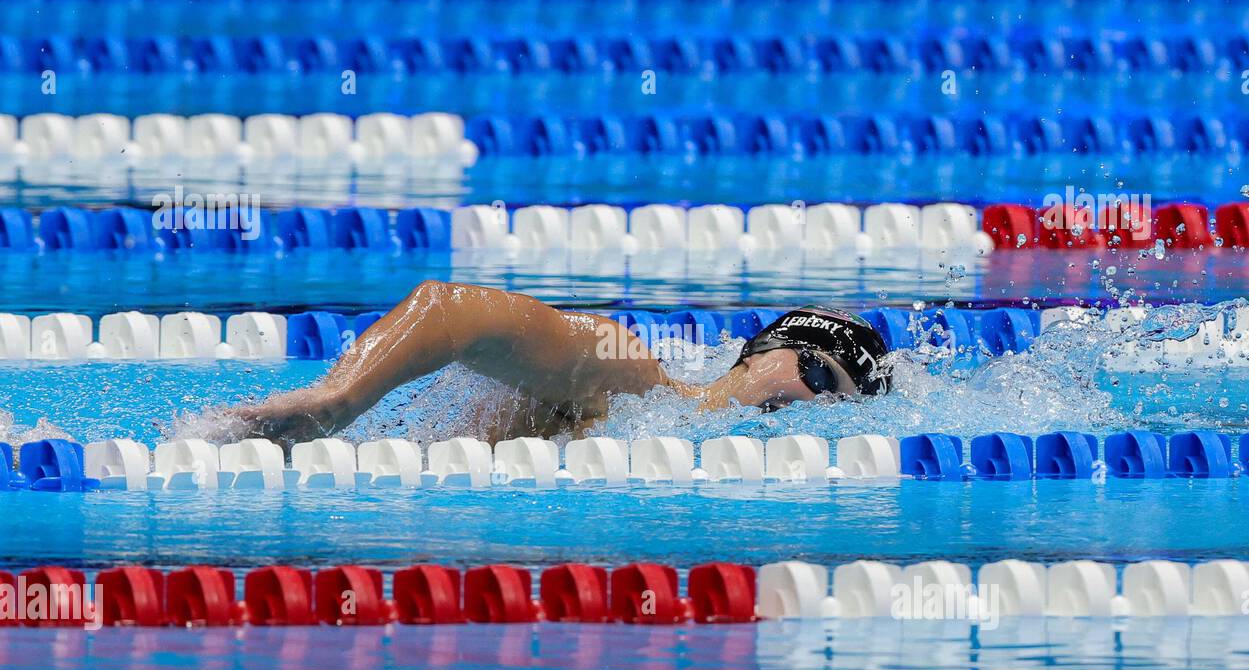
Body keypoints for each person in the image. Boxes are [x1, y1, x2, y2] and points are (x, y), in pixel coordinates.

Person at [231, 280, 891, 444]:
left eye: (837, 403)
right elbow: (450, 310)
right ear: (757, 353)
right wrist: (334, 399)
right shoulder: (627, 379)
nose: (814, 404)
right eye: (813, 374)